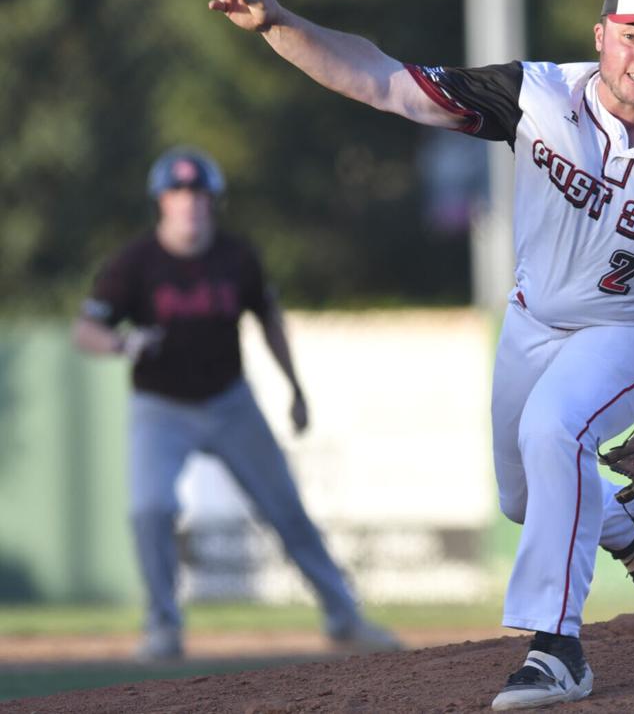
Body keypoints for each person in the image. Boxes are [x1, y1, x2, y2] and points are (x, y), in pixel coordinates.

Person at [208, 0, 634, 709]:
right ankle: (633, 526)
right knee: (524, 495)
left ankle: (557, 647)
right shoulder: (537, 96)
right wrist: (278, 23)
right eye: (632, 36)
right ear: (602, 35)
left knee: (554, 426)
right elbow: (383, 80)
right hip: (536, 316)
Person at [72, 147, 401, 662]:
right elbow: (85, 330)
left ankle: (345, 618)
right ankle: (163, 627)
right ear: (161, 201)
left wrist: (294, 386)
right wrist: (122, 344)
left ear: (213, 202)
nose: (190, 204)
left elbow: (268, 319)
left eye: (200, 194)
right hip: (160, 406)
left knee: (287, 510)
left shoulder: (235, 256)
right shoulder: (135, 262)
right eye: (179, 194)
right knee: (150, 509)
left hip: (230, 402)